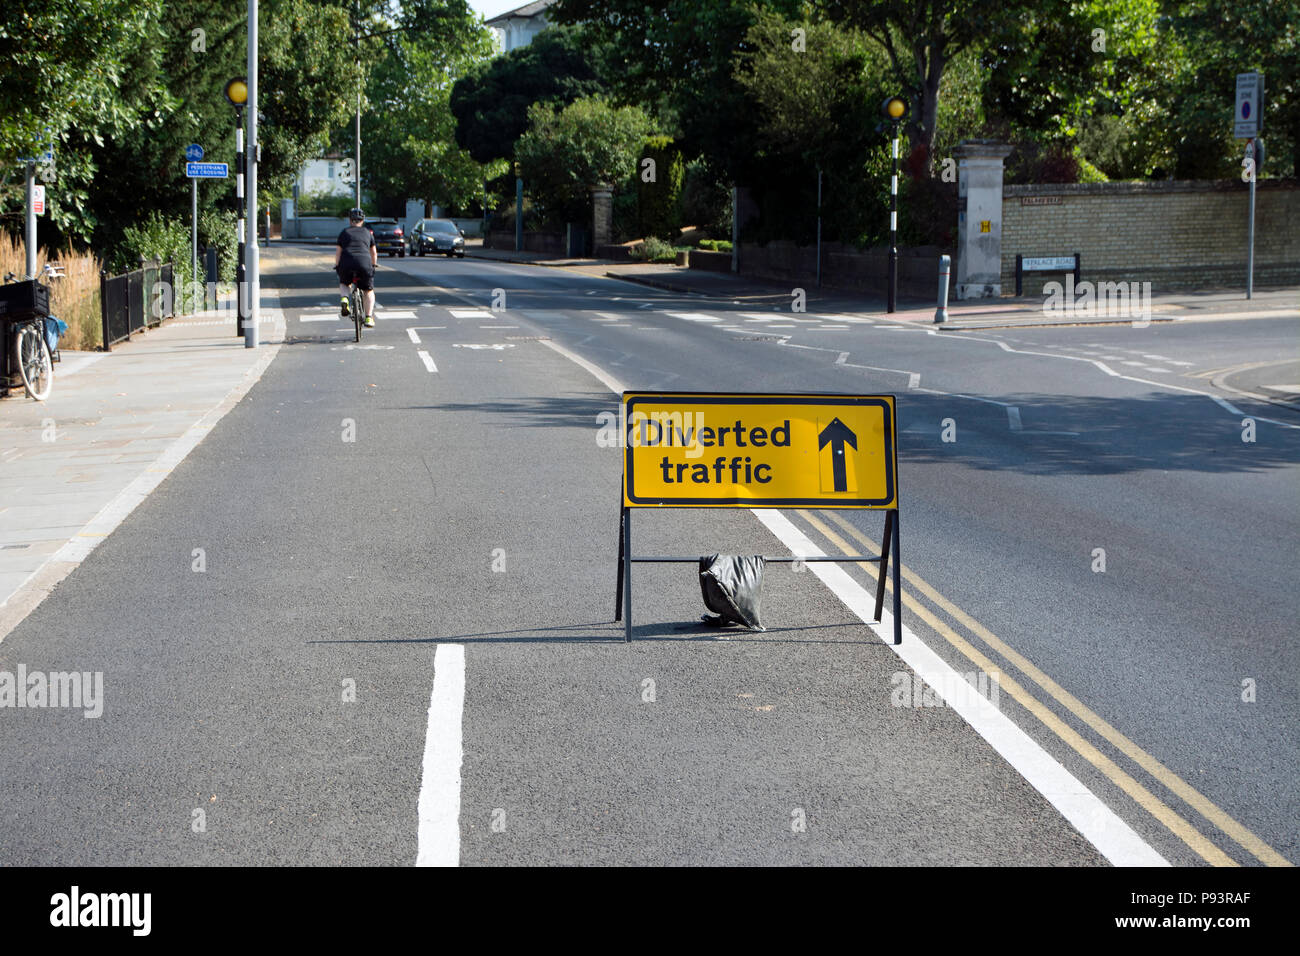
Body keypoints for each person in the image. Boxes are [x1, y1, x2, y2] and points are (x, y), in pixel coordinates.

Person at [334, 208, 378, 327]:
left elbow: (338, 252)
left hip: (347, 263)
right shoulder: (367, 233)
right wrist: (373, 266)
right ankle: (368, 317)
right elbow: (373, 252)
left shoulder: (344, 233)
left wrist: (337, 266)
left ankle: (344, 299)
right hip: (364, 263)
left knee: (344, 283)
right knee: (368, 290)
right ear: (362, 220)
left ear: (350, 220)